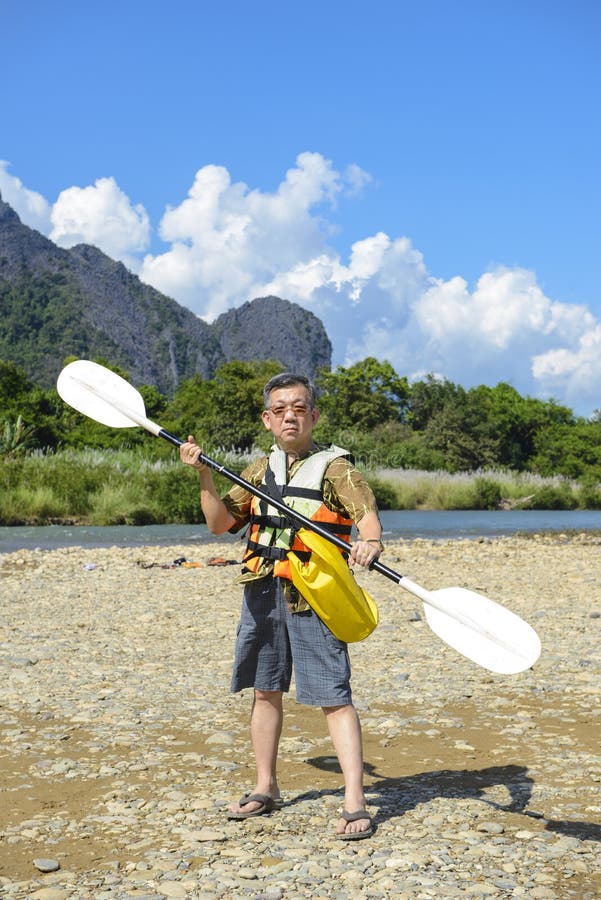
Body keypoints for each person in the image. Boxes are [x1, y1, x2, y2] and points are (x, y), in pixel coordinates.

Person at [179, 372, 383, 840]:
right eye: (280, 409)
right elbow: (218, 523)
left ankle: (355, 801)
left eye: (299, 408)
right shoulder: (255, 470)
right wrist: (204, 474)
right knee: (264, 689)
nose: (290, 416)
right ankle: (265, 787)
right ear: (268, 419)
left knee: (334, 695)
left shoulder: (336, 469)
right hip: (262, 589)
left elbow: (366, 515)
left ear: (313, 416)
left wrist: (370, 542)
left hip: (314, 593)